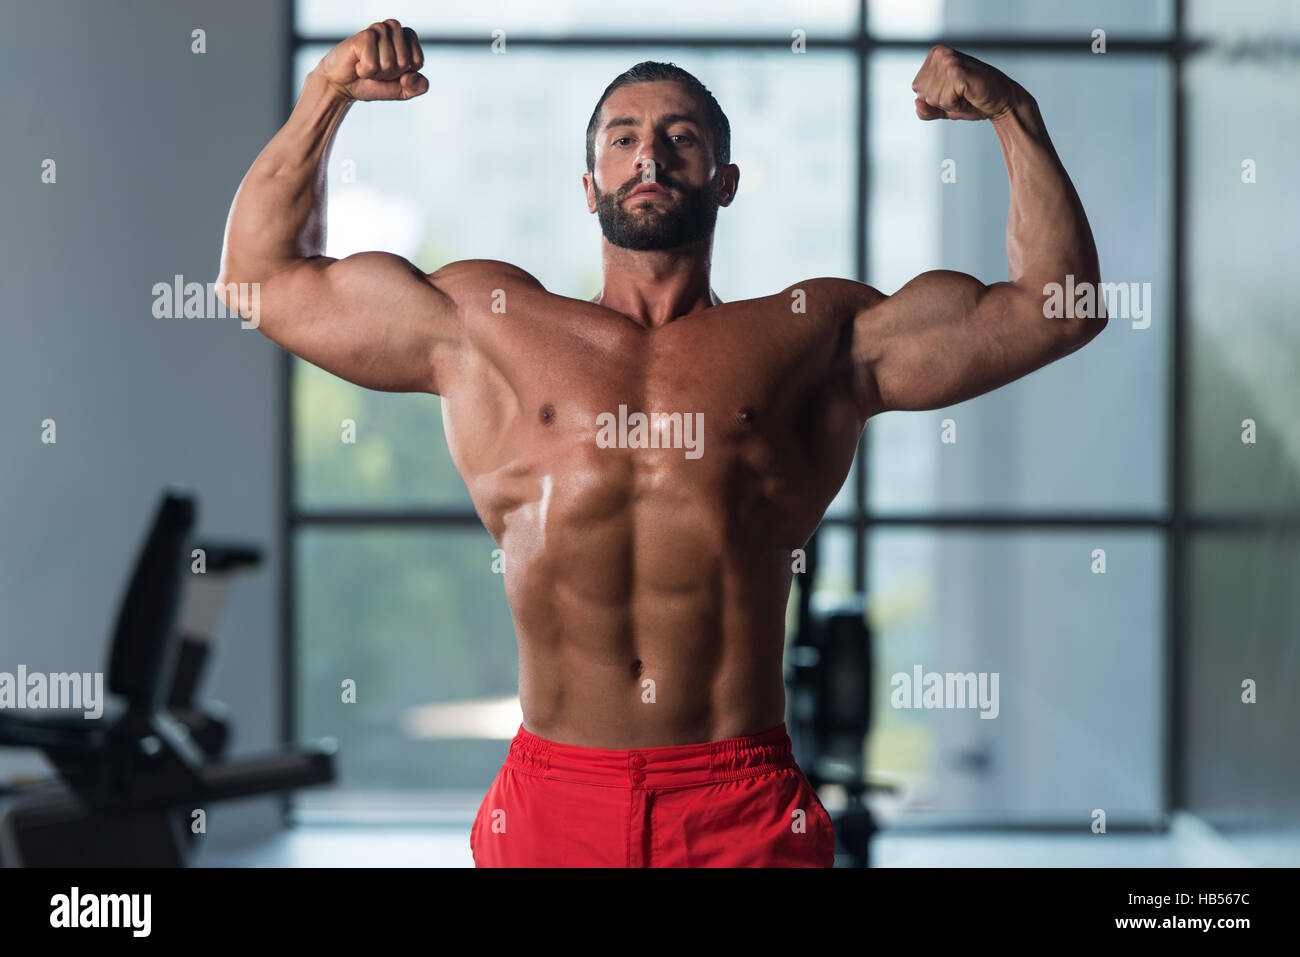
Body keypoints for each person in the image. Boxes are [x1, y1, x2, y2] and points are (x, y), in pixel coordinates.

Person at [216, 19, 1106, 866]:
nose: (650, 154)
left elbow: (1053, 311)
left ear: (725, 179)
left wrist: (1013, 114)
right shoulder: (487, 326)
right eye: (623, 137)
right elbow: (259, 280)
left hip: (739, 796)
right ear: (589, 183)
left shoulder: (811, 337)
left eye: (681, 138)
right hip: (553, 793)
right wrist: (326, 90)